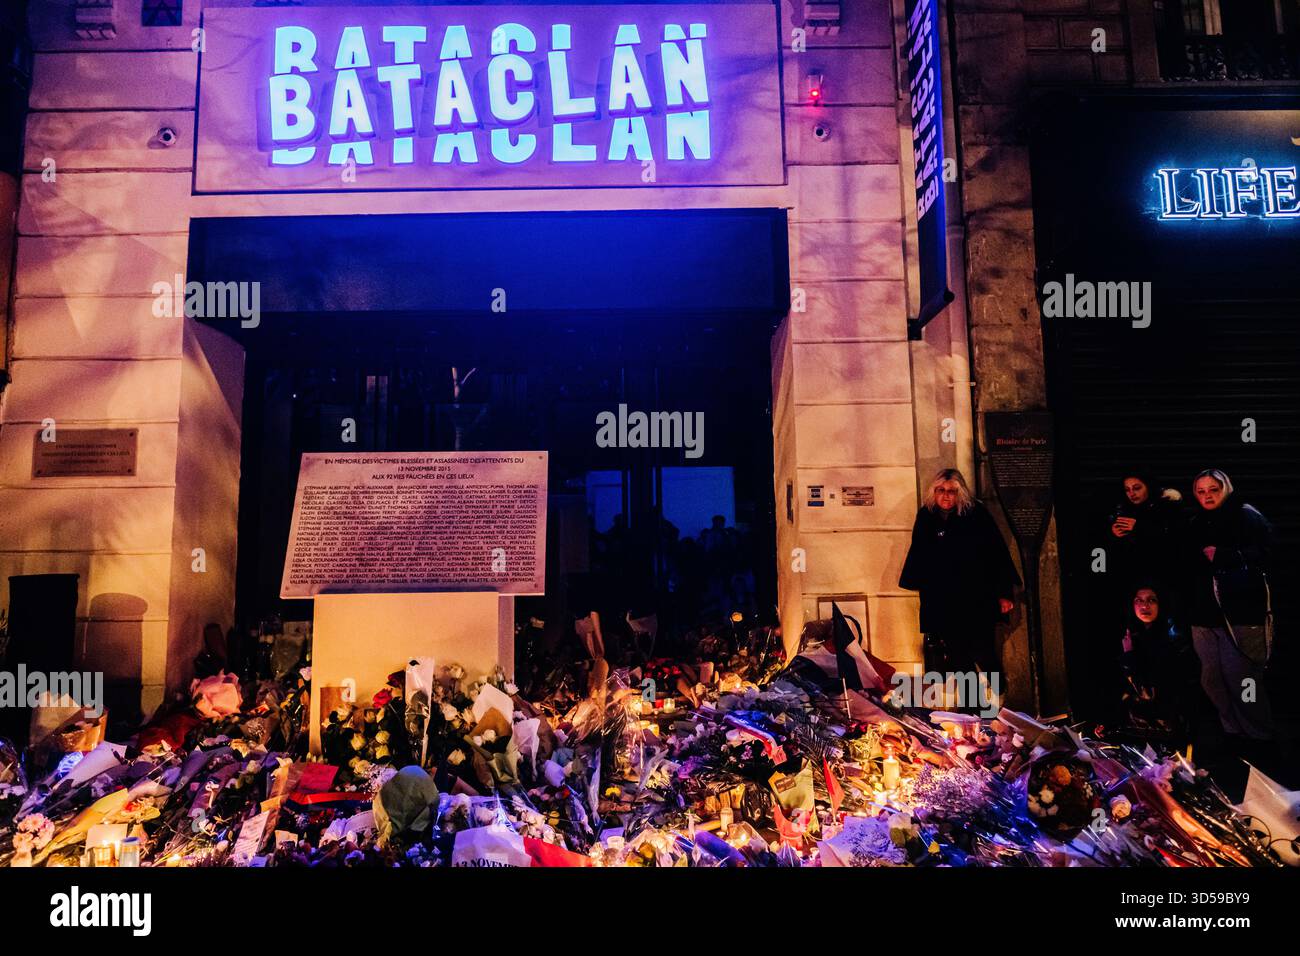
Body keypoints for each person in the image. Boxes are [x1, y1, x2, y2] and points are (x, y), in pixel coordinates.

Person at [899, 468, 1021, 677]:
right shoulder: (927, 517)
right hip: (943, 599)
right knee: (957, 656)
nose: (945, 496)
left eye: (951, 491)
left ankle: (998, 689)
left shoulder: (975, 515)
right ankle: (970, 706)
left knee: (982, 651)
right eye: (940, 490)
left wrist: (1004, 592)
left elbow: (996, 552)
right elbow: (919, 553)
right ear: (933, 492)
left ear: (960, 493)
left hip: (976, 597)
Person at [1184, 468, 1276, 745]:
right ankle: (1234, 734)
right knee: (1212, 679)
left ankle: (1260, 738)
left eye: (1213, 489)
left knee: (1242, 679)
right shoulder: (1196, 521)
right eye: (1201, 491)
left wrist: (1226, 556)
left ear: (1225, 488)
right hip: (1204, 613)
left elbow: (1269, 552)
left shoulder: (1246, 515)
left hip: (1240, 612)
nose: (1207, 496)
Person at [1114, 584, 1201, 742]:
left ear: (1161, 603)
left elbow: (1150, 693)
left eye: (1151, 600)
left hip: (1164, 729)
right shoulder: (1131, 634)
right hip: (1134, 728)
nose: (1144, 606)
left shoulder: (1173, 639)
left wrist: (1129, 657)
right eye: (1138, 600)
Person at [1105, 470, 1184, 600]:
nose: (1132, 493)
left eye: (1137, 488)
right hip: (1135, 580)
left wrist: (1140, 527)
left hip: (1165, 577)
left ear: (1148, 486)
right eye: (1127, 489)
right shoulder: (1123, 510)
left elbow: (1174, 539)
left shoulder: (1167, 505)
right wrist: (1114, 535)